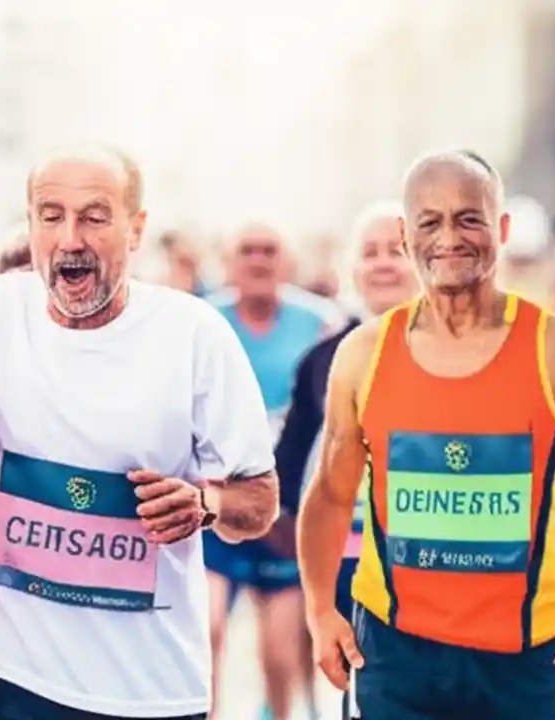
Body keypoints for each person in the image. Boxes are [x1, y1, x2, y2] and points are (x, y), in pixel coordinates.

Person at [0, 143, 281, 720]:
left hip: (152, 686)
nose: (70, 238)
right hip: (13, 673)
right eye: (51, 215)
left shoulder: (194, 336)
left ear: (135, 229)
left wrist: (205, 503)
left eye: (94, 217)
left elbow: (259, 502)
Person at [298, 149, 555, 719]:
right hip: (392, 653)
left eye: (469, 218)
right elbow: (331, 495)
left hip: (521, 660)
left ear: (501, 229)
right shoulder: (364, 353)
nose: (449, 238)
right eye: (430, 222)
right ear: (407, 237)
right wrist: (319, 611)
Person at [272, 202, 418, 638]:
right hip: (350, 567)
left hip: (436, 567)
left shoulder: (461, 351)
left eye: (397, 250)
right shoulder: (324, 358)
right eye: (370, 253)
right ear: (351, 269)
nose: (383, 264)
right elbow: (291, 460)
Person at [206, 222, 332, 720]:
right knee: (207, 628)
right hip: (216, 503)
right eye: (247, 251)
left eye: (270, 251)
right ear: (229, 262)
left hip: (285, 512)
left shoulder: (322, 325)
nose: (258, 261)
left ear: (288, 262)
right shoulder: (204, 320)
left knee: (280, 655)